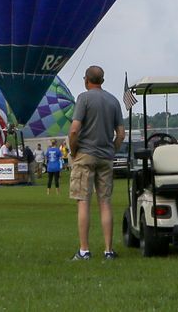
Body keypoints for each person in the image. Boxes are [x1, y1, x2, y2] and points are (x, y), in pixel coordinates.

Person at [65, 65, 124, 261]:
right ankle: (108, 250)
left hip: (85, 155)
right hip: (105, 155)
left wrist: (74, 151)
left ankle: (84, 250)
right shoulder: (113, 101)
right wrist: (111, 150)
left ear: (86, 80)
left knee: (83, 202)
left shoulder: (84, 98)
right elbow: (121, 134)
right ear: (103, 80)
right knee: (105, 202)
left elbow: (74, 130)